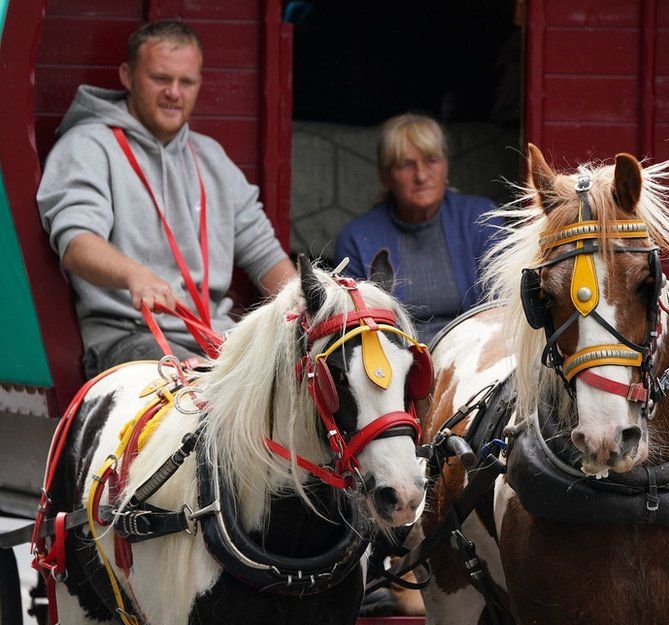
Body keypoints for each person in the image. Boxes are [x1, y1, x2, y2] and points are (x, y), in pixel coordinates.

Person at [37, 20, 296, 377]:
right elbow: (76, 243)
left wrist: (308, 303)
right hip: (128, 340)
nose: (174, 92)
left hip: (217, 340)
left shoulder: (212, 157)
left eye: (186, 81)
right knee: (197, 391)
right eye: (161, 78)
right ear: (127, 76)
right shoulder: (87, 146)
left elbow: (265, 255)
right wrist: (134, 275)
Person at [333, 113, 502, 343]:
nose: (421, 175)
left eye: (431, 160)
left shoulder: (480, 219)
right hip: (395, 364)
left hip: (474, 359)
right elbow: (355, 331)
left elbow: (502, 310)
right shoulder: (358, 238)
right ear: (385, 177)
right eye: (406, 165)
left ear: (446, 167)